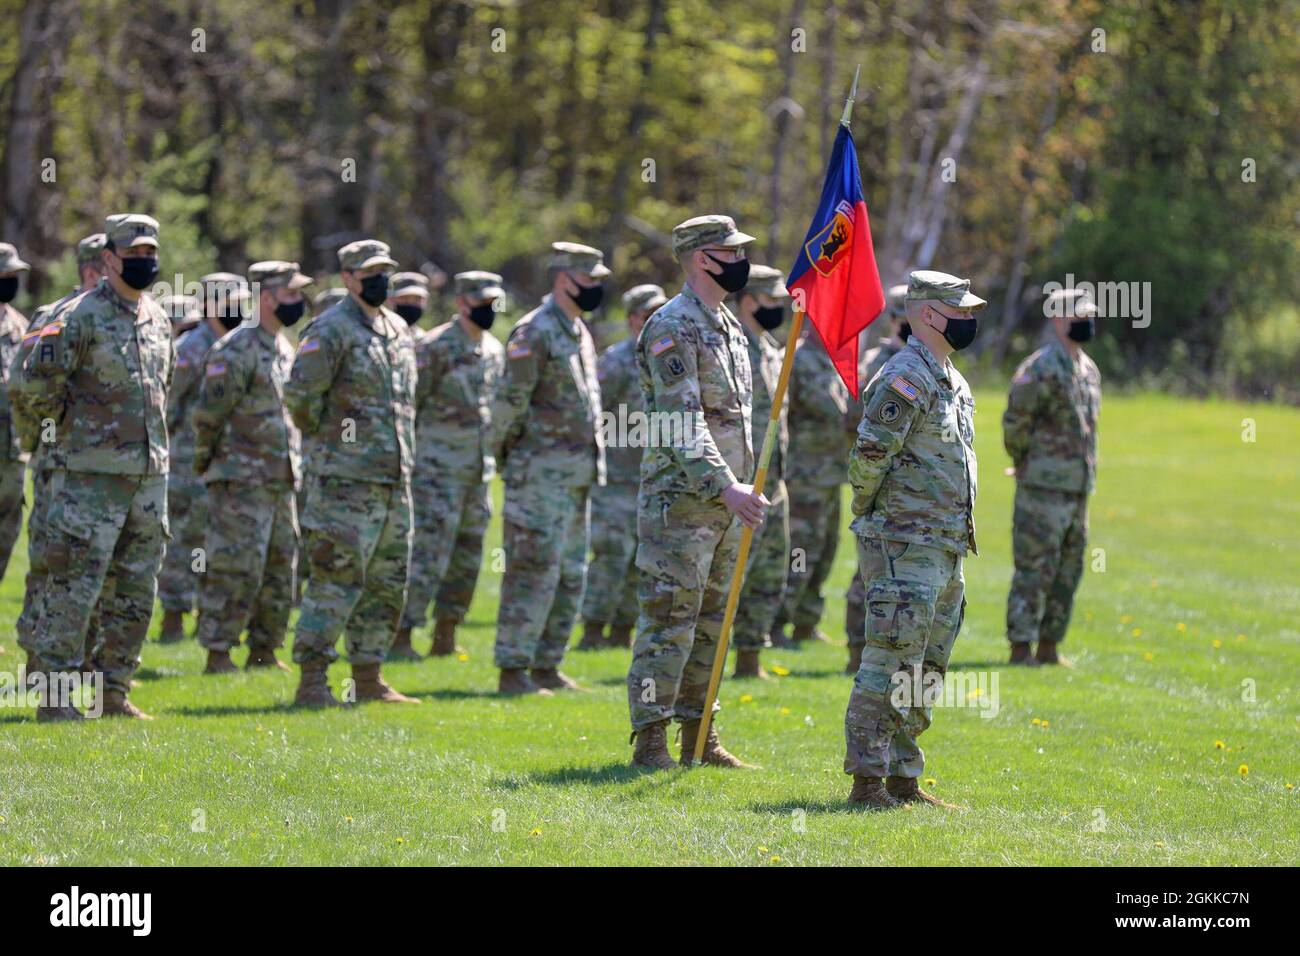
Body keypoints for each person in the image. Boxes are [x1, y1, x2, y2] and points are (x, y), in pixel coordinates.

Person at [14, 214, 174, 720]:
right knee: (71, 587)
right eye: (134, 253)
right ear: (108, 260)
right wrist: (54, 438)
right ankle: (56, 698)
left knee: (134, 589)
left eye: (150, 252)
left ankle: (114, 691)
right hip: (85, 479)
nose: (144, 261)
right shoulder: (77, 316)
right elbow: (28, 386)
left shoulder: (159, 318)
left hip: (147, 479)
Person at [625, 215, 766, 770]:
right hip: (682, 502)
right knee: (670, 618)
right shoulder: (671, 325)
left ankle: (700, 735)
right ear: (703, 258)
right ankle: (653, 739)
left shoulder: (728, 323)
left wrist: (740, 487)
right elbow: (681, 421)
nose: (740, 260)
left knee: (714, 619)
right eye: (730, 251)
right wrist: (725, 485)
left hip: (730, 503)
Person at [842, 269, 982, 808]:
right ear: (927, 313)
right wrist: (872, 511)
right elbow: (870, 454)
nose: (970, 319)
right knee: (890, 658)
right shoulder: (906, 375)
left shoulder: (951, 377)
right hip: (904, 542)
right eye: (961, 310)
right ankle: (867, 781)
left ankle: (903, 776)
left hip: (945, 544)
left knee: (928, 663)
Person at [285, 239, 420, 707]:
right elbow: (301, 398)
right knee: (335, 578)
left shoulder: (399, 328)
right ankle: (313, 679)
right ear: (347, 277)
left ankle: (368, 676)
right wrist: (335, 447)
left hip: (394, 480)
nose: (379, 278)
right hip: (344, 481)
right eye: (369, 272)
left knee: (387, 581)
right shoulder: (330, 328)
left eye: (384, 269)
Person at [490, 242, 608, 695]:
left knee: (570, 572)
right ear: (565, 279)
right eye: (591, 279)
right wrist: (509, 459)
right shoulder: (534, 331)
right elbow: (509, 406)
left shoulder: (577, 330)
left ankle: (546, 664)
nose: (597, 287)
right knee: (532, 570)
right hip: (538, 475)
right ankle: (513, 669)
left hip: (576, 475)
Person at [192, 261, 311, 674]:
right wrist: (207, 465)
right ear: (267, 297)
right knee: (235, 566)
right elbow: (208, 416)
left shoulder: (283, 346)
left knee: (281, 568)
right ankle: (219, 651)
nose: (299, 302)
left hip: (281, 478)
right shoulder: (234, 350)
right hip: (240, 480)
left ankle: (265, 649)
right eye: (291, 294)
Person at [10, 234, 106, 666]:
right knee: (52, 563)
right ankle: (37, 657)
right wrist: (41, 442)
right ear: (92, 270)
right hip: (59, 465)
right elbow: (25, 391)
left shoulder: (123, 319)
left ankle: (91, 661)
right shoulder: (54, 318)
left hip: (106, 469)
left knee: (102, 568)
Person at [401, 271, 505, 658]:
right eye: (481, 304)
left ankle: (446, 632)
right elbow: (412, 405)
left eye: (493, 304)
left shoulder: (494, 350)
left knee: (467, 556)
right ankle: (403, 633)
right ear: (461, 303)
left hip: (477, 473)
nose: (488, 311)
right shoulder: (435, 347)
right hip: (435, 471)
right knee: (426, 555)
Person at [1002, 288, 1101, 667]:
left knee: (1068, 568)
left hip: (1077, 487)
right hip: (1042, 485)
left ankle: (1049, 645)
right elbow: (1015, 424)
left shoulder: (1089, 370)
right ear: (1058, 320)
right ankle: (1021, 647)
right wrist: (1026, 462)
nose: (1087, 322)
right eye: (1079, 315)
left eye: (1089, 315)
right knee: (1034, 567)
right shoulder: (1038, 370)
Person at [158, 272, 250, 642]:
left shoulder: (243, 344)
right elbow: (168, 405)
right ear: (211, 305)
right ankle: (174, 615)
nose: (238, 309)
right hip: (189, 464)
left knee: (223, 543)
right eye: (230, 302)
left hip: (234, 462)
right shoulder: (190, 348)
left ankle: (211, 619)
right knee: (187, 541)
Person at [577, 283, 666, 651]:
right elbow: (592, 417)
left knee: (645, 558)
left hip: (655, 477)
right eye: (649, 315)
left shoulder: (671, 359)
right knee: (612, 553)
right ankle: (594, 629)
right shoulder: (614, 362)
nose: (656, 322)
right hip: (617, 478)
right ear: (632, 320)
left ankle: (623, 629)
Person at [729, 264, 791, 679]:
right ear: (749, 301)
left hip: (776, 483)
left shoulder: (771, 349)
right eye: (772, 301)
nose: (780, 310)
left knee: (770, 575)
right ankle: (707, 667)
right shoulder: (730, 345)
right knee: (731, 580)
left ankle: (750, 658)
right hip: (741, 482)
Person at [845, 281, 909, 672]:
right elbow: (856, 418)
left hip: (918, 491)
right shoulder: (874, 363)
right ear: (894, 320)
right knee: (869, 570)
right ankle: (856, 650)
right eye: (904, 318)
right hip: (881, 481)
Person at [776, 319, 852, 646]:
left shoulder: (831, 361)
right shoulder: (794, 359)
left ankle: (806, 622)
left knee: (824, 551)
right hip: (802, 478)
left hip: (831, 475)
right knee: (799, 554)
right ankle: (775, 624)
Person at [0, 242, 32, 581]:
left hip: (12, 457)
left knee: (5, 538)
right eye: (5, 274)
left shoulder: (22, 327)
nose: (10, 280)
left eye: (14, 275)